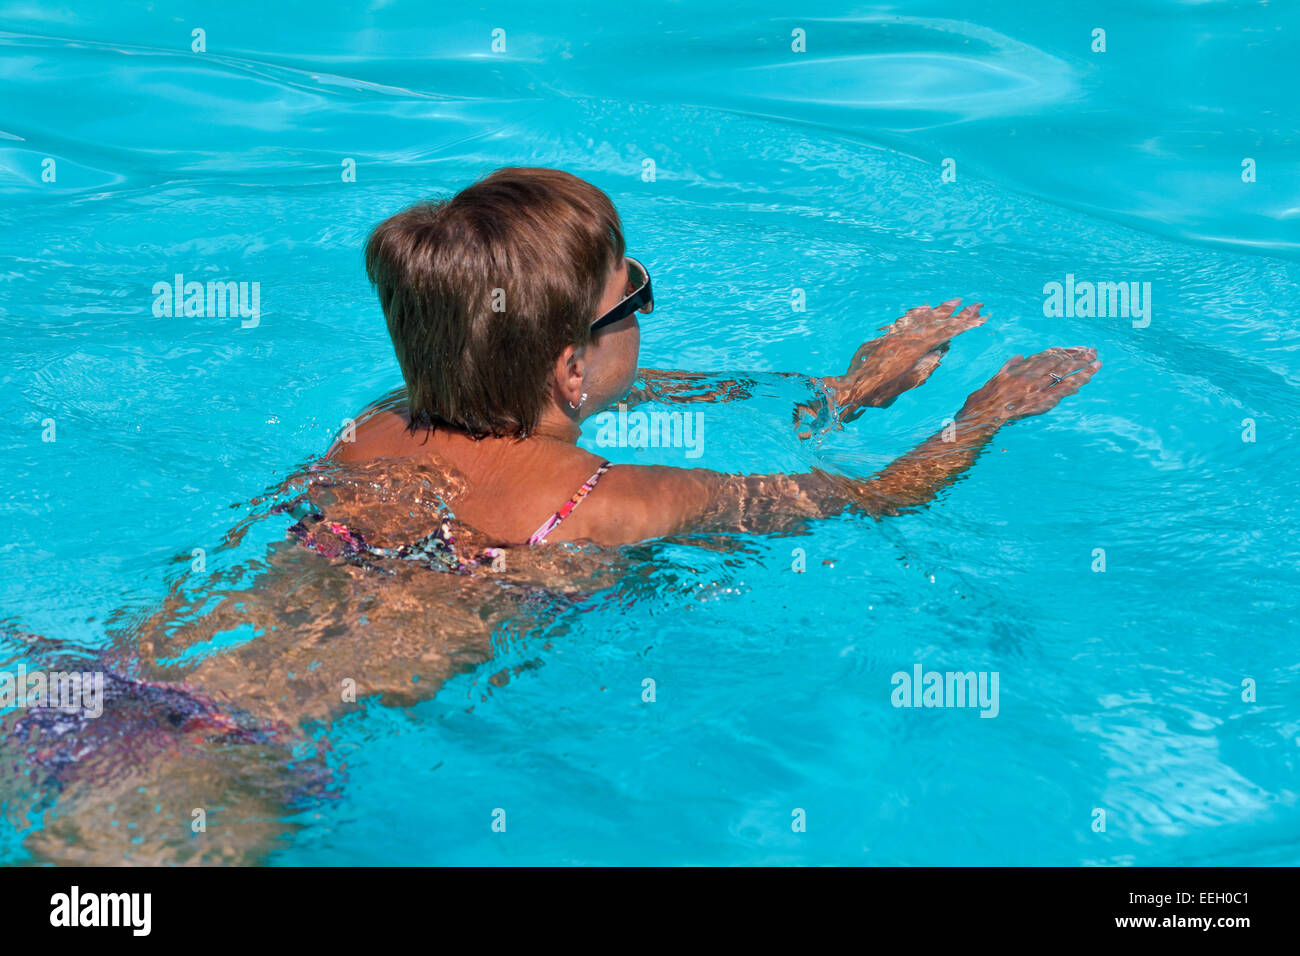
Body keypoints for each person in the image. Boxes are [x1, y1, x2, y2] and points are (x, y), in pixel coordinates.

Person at [326, 166, 1099, 555]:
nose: (646, 308)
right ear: (568, 371)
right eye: (635, 297)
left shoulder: (377, 426)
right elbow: (872, 498)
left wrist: (844, 393)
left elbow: (626, 394)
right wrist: (985, 415)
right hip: (287, 759)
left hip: (215, 689)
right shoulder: (617, 500)